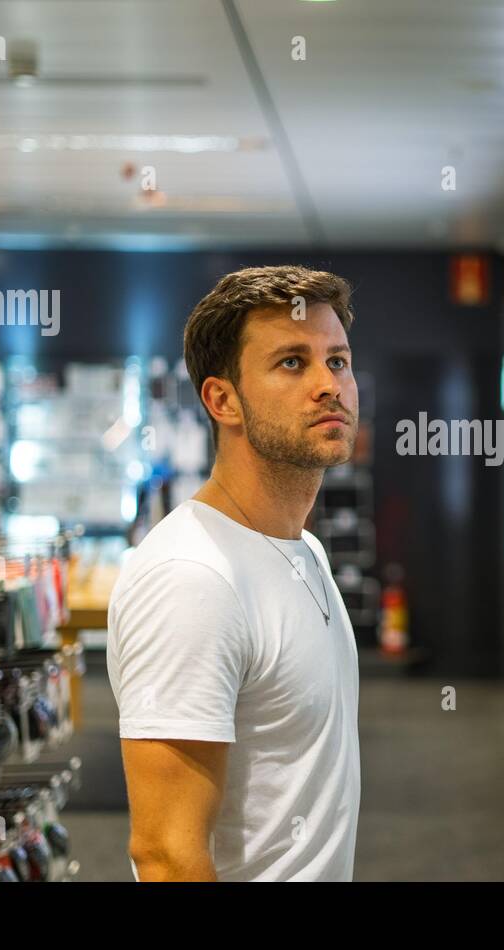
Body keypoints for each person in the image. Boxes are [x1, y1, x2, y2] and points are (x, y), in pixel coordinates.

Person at [107, 265, 361, 880]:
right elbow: (166, 854)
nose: (329, 385)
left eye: (338, 361)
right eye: (292, 363)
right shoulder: (192, 578)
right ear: (222, 400)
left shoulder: (301, 548)